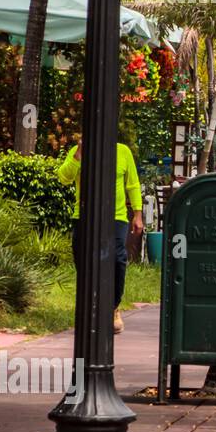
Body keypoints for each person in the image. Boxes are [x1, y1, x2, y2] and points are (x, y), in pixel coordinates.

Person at [57, 141, 143, 334]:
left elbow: (133, 184)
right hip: (85, 216)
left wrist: (137, 214)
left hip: (116, 217)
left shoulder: (123, 151)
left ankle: (113, 306)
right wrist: (78, 155)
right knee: (83, 260)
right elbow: (64, 177)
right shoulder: (77, 151)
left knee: (118, 259)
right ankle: (91, 307)